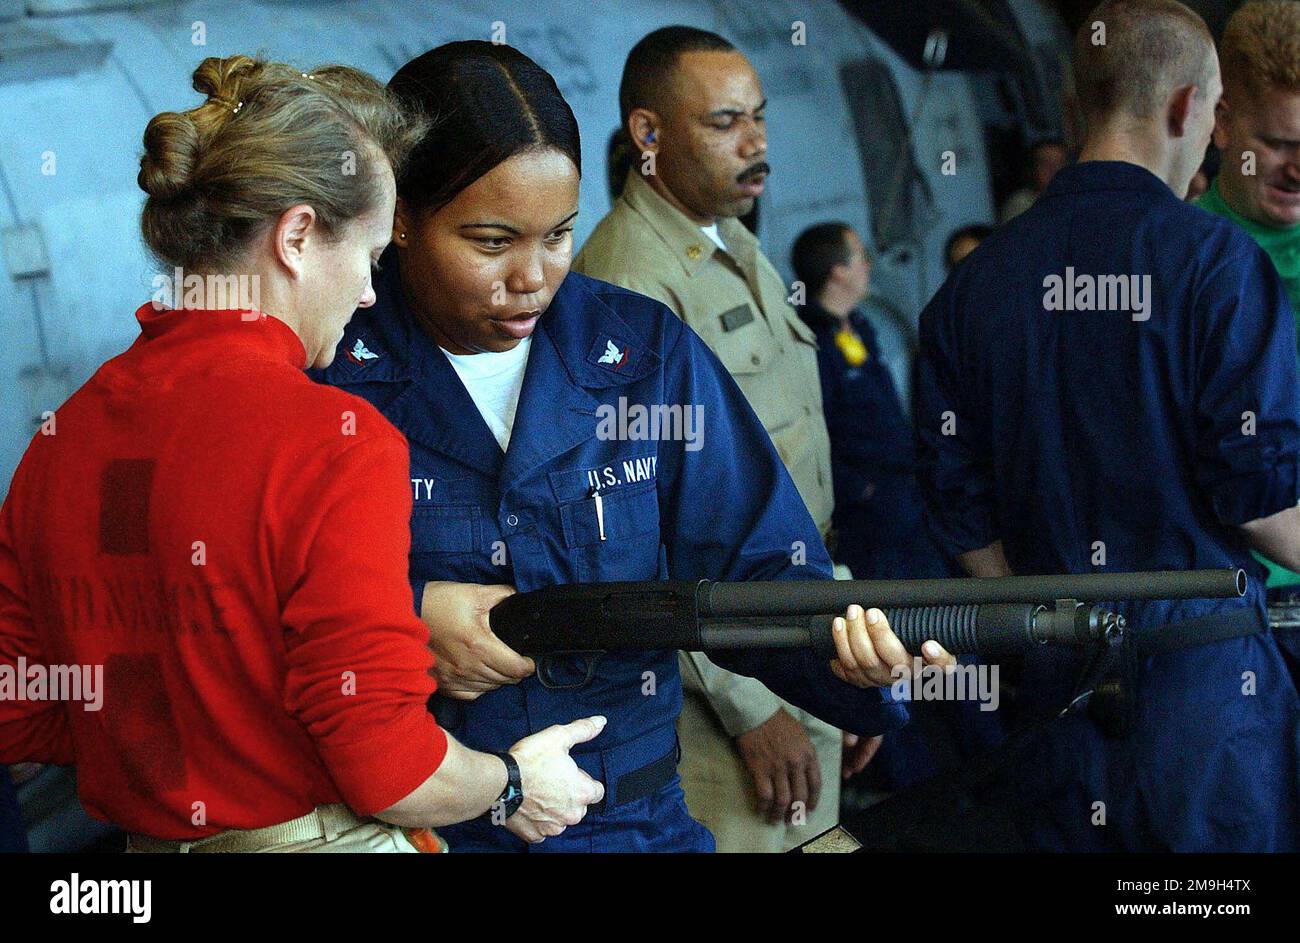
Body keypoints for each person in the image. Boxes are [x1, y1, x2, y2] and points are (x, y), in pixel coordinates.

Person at [312, 40, 953, 854]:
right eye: (490, 241)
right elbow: (237, 610)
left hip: (631, 823)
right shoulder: (330, 370)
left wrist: (848, 659)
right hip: (426, 831)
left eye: (559, 235)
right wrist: (404, 622)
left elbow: (758, 565)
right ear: (399, 216)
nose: (534, 277)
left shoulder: (641, 354)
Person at [0, 55, 608, 853]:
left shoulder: (63, 436)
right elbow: (390, 766)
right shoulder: (334, 442)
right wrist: (516, 782)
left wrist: (187, 753)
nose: (365, 296)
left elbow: (21, 709)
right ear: (295, 237)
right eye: (367, 261)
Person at [915, 0, 1300, 851]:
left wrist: (1056, 616)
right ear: (1184, 108)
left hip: (1054, 687)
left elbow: (959, 513)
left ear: (1072, 108)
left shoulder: (967, 293)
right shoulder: (1216, 265)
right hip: (1205, 694)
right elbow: (1257, 493)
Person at [571, 26, 850, 852]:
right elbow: (632, 526)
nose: (757, 143)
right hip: (728, 674)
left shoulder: (731, 242)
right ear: (649, 135)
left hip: (800, 620)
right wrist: (751, 704)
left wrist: (840, 663)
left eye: (759, 117)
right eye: (726, 123)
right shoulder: (629, 284)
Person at [1195, 0, 1300, 595]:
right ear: (1222, 121)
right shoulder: (1173, 265)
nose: (1299, 171)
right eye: (1280, 143)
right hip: (1225, 603)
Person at [999, 139, 1069, 223]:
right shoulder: (1020, 204)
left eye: (1059, 163)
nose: (1053, 169)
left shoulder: (1077, 199)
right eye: (1045, 163)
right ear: (1033, 168)